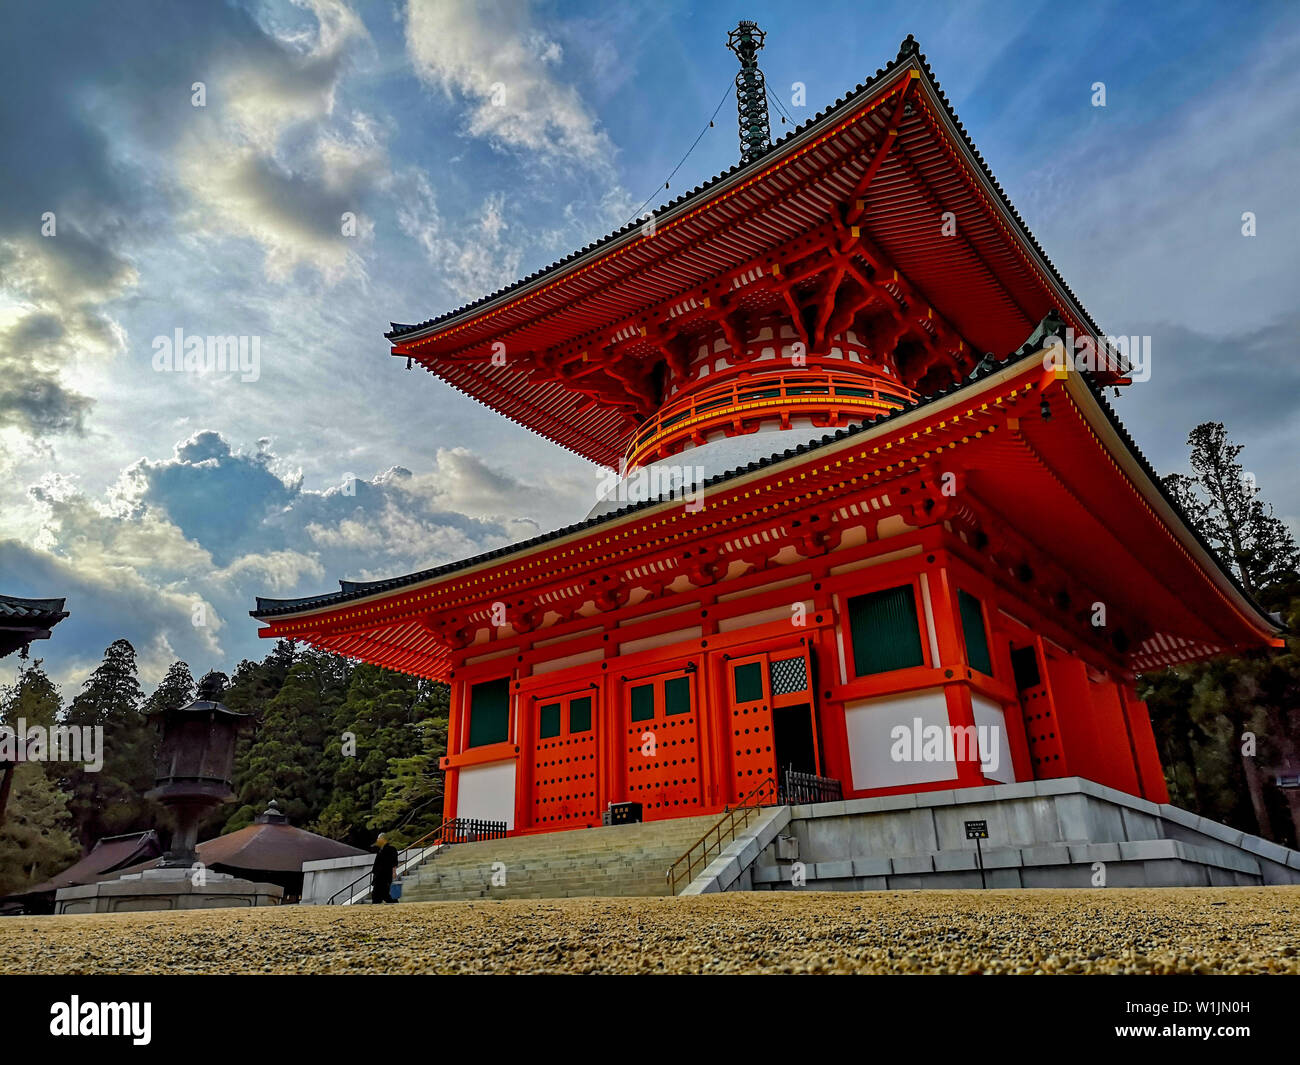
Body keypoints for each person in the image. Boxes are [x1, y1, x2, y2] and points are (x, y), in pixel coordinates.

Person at [371, 833, 399, 904]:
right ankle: (393, 902)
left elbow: (394, 861)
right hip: (378, 875)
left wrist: (394, 872)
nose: (377, 840)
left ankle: (394, 902)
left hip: (386, 874)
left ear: (383, 839)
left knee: (382, 893)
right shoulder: (380, 850)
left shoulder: (392, 849)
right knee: (380, 894)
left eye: (378, 838)